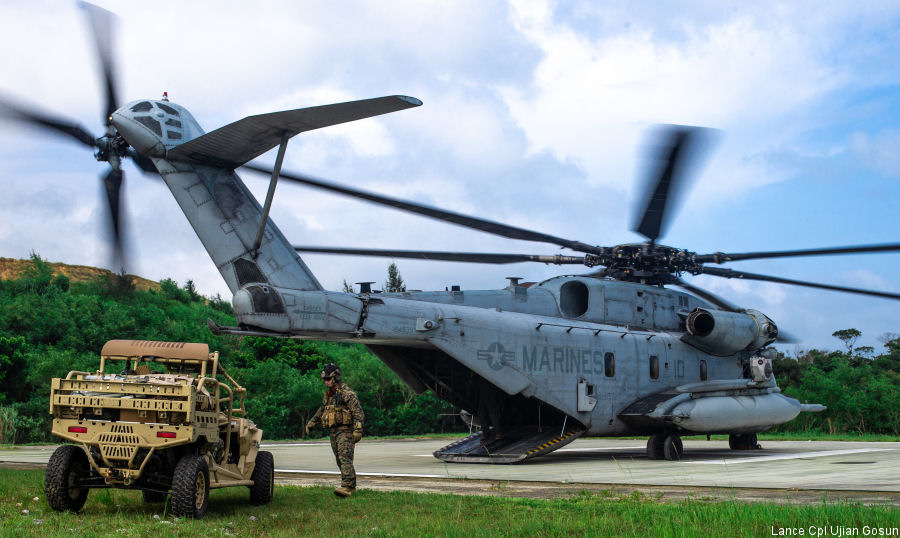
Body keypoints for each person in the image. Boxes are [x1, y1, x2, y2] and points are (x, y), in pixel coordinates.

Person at [305, 363, 364, 497]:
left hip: (345, 431)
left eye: (328, 379)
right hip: (333, 431)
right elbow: (322, 410)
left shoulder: (347, 393)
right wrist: (312, 422)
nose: (326, 382)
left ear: (336, 377)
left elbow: (358, 412)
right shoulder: (330, 395)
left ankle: (347, 486)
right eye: (324, 380)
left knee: (344, 458)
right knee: (339, 459)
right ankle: (351, 485)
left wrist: (358, 430)